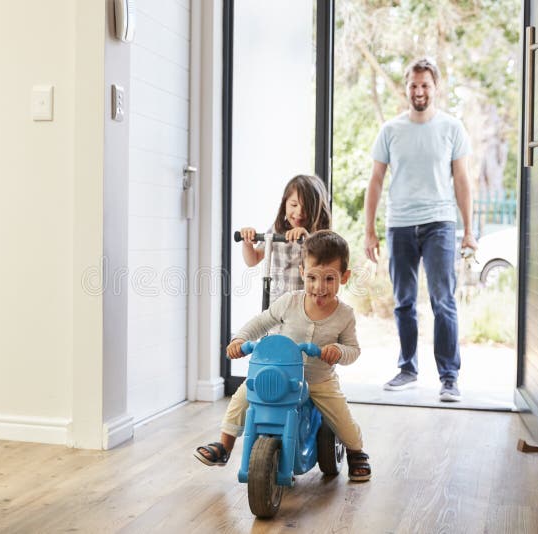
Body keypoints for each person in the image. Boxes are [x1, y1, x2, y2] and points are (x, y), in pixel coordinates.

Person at [194, 230, 371, 482]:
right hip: (281, 374)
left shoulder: (344, 314)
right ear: (302, 273)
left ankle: (356, 452)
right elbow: (261, 321)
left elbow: (353, 350)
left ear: (344, 277)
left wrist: (339, 351)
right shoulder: (289, 301)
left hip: (320, 380)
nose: (319, 288)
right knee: (244, 396)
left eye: (329, 279)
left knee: (342, 419)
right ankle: (225, 446)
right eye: (312, 278)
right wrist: (240, 339)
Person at [363, 57, 478, 402]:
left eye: (425, 85)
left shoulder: (452, 128)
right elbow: (376, 180)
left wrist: (469, 229)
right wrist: (369, 230)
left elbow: (462, 180)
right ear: (407, 87)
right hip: (399, 224)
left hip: (439, 224)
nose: (418, 91)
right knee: (404, 302)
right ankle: (408, 369)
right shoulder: (391, 130)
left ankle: (449, 377)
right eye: (413, 85)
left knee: (443, 300)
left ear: (435, 87)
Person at [239, 174, 331, 301]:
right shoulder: (277, 230)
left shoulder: (320, 236)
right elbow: (252, 260)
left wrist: (307, 239)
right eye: (294, 205)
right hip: (279, 305)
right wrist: (247, 242)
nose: (299, 212)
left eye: (307, 208)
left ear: (317, 209)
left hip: (307, 306)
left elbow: (324, 265)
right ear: (284, 204)